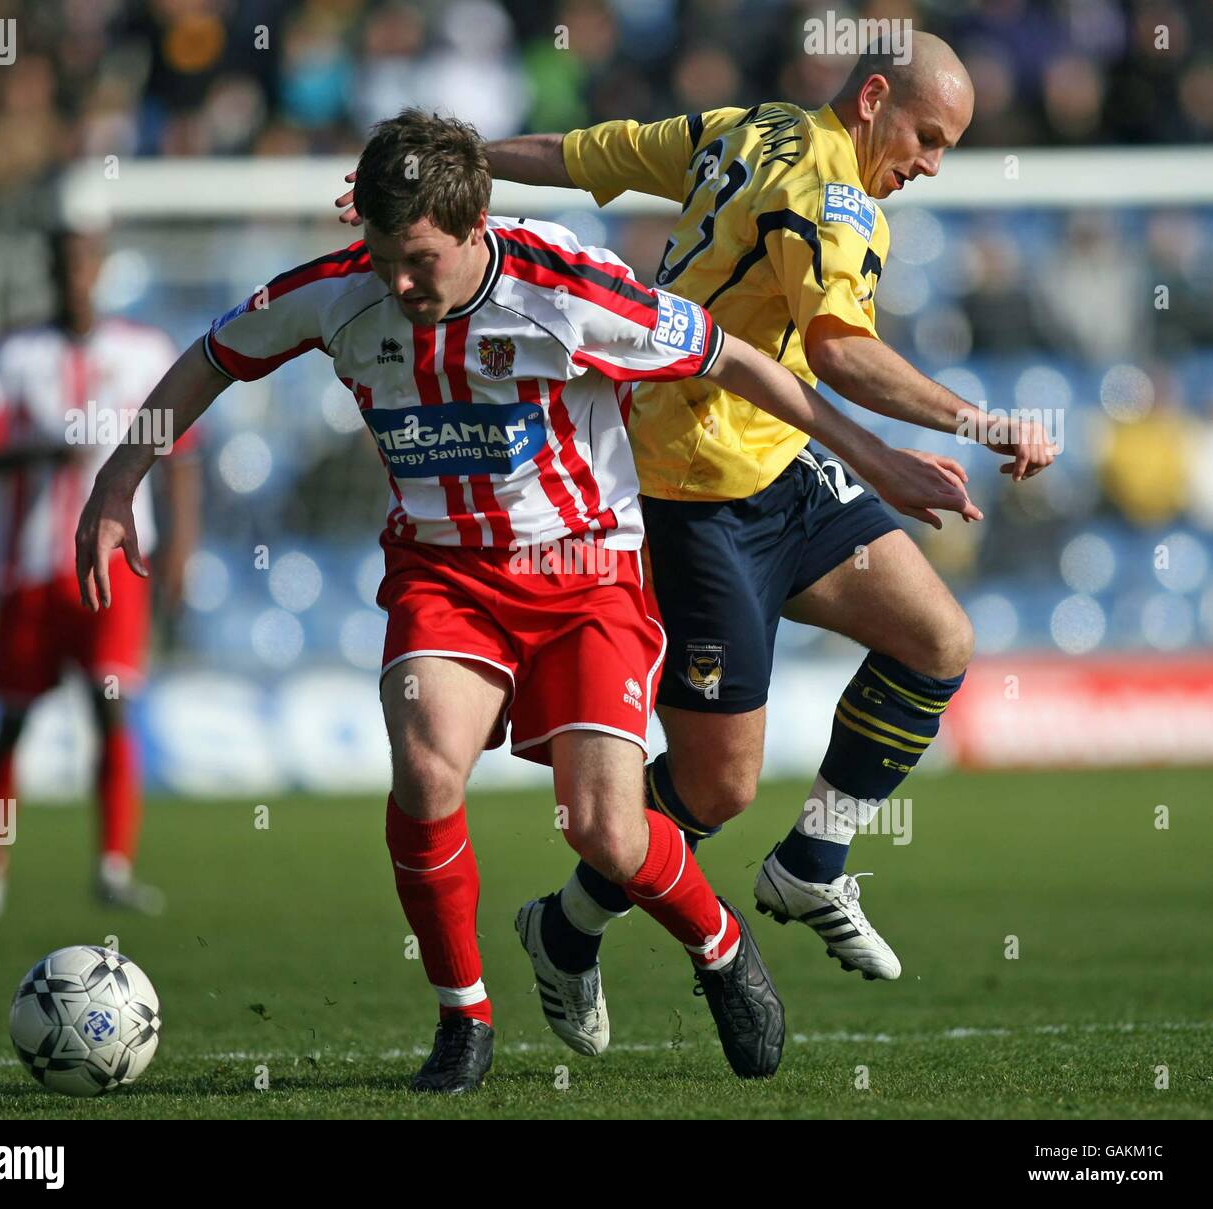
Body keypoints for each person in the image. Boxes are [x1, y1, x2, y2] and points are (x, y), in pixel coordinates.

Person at [78, 110, 977, 1092]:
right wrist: (117, 483)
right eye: (382, 257)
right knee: (424, 776)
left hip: (587, 578)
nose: (398, 283)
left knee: (608, 835)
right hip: (445, 575)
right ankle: (463, 1019)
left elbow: (731, 358)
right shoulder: (339, 292)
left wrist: (876, 457)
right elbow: (210, 358)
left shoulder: (564, 289)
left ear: (475, 228)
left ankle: (718, 945)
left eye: (418, 259)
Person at [338, 34, 1057, 1052]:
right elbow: (841, 350)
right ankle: (566, 925)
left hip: (779, 464)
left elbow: (578, 155)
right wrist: (976, 423)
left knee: (935, 640)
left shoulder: (738, 130)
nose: (930, 164)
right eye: (926, 138)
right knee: (713, 787)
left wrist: (442, 176)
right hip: (684, 491)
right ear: (874, 97)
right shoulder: (828, 194)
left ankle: (810, 863)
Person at [0, 229, 200, 918]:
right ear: (50, 272)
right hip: (28, 564)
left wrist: (183, 547)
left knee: (112, 706)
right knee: (11, 718)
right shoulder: (16, 353)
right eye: (63, 267)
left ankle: (113, 867)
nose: (75, 279)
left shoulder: (145, 351)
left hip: (119, 564)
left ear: (101, 272)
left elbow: (180, 453)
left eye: (85, 266)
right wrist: (31, 454)